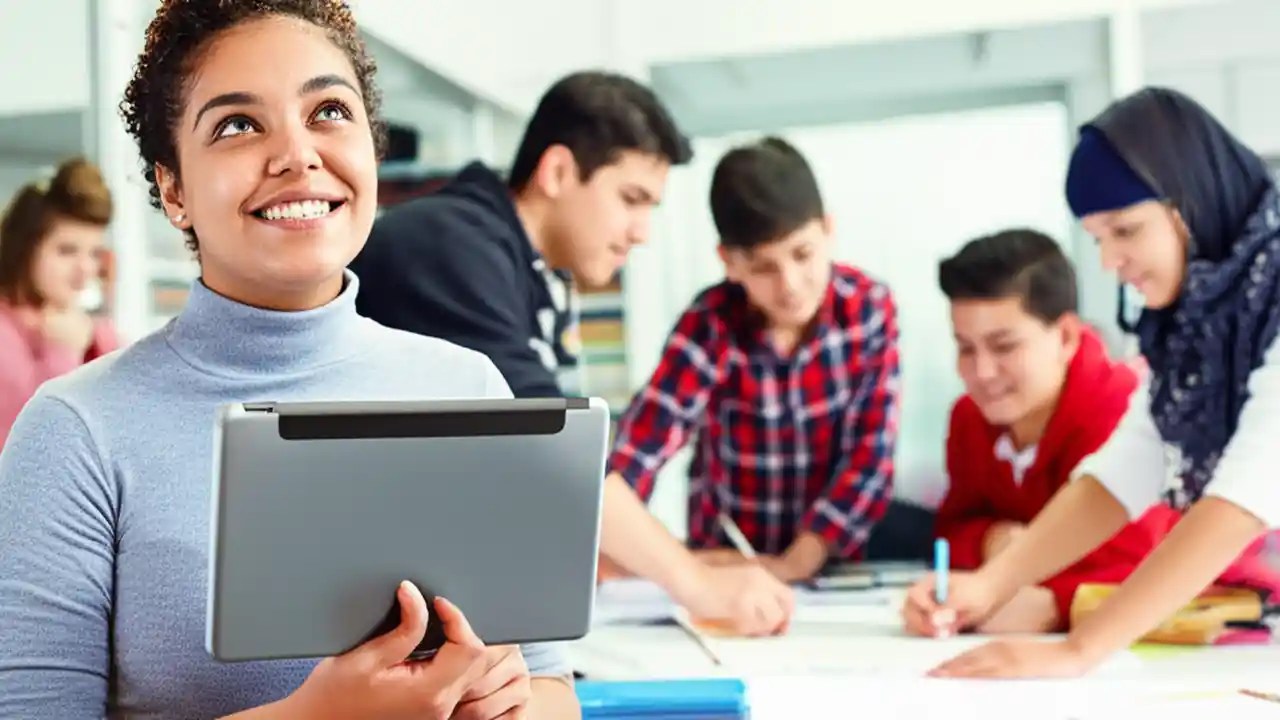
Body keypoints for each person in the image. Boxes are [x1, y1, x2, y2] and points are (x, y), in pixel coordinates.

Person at [0, 1, 579, 717]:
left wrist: (510, 705)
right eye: (238, 125)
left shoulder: (468, 387)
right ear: (174, 188)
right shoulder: (75, 431)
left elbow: (552, 686)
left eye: (330, 112)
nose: (298, 154)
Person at [350, 75, 794, 634]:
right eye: (632, 200)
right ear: (558, 172)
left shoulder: (526, 271)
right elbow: (550, 444)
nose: (642, 232)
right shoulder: (452, 245)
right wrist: (697, 584)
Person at [904, 87, 1280, 679]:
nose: (1109, 261)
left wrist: (1078, 650)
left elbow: (1240, 502)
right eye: (1099, 237)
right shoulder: (1204, 324)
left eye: (1126, 231)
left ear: (1192, 202)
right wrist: (988, 584)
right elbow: (1126, 468)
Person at [607, 136, 901, 583]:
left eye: (803, 254)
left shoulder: (869, 310)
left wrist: (794, 564)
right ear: (729, 262)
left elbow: (870, 459)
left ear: (828, 228)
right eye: (764, 267)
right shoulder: (710, 325)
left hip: (831, 566)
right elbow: (641, 447)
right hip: (727, 566)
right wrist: (649, 554)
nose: (791, 284)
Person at [0, 158, 119, 448]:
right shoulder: (7, 335)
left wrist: (97, 337)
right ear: (25, 248)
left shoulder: (85, 327)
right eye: (66, 251)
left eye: (94, 253)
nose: (85, 270)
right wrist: (62, 351)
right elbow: (36, 446)